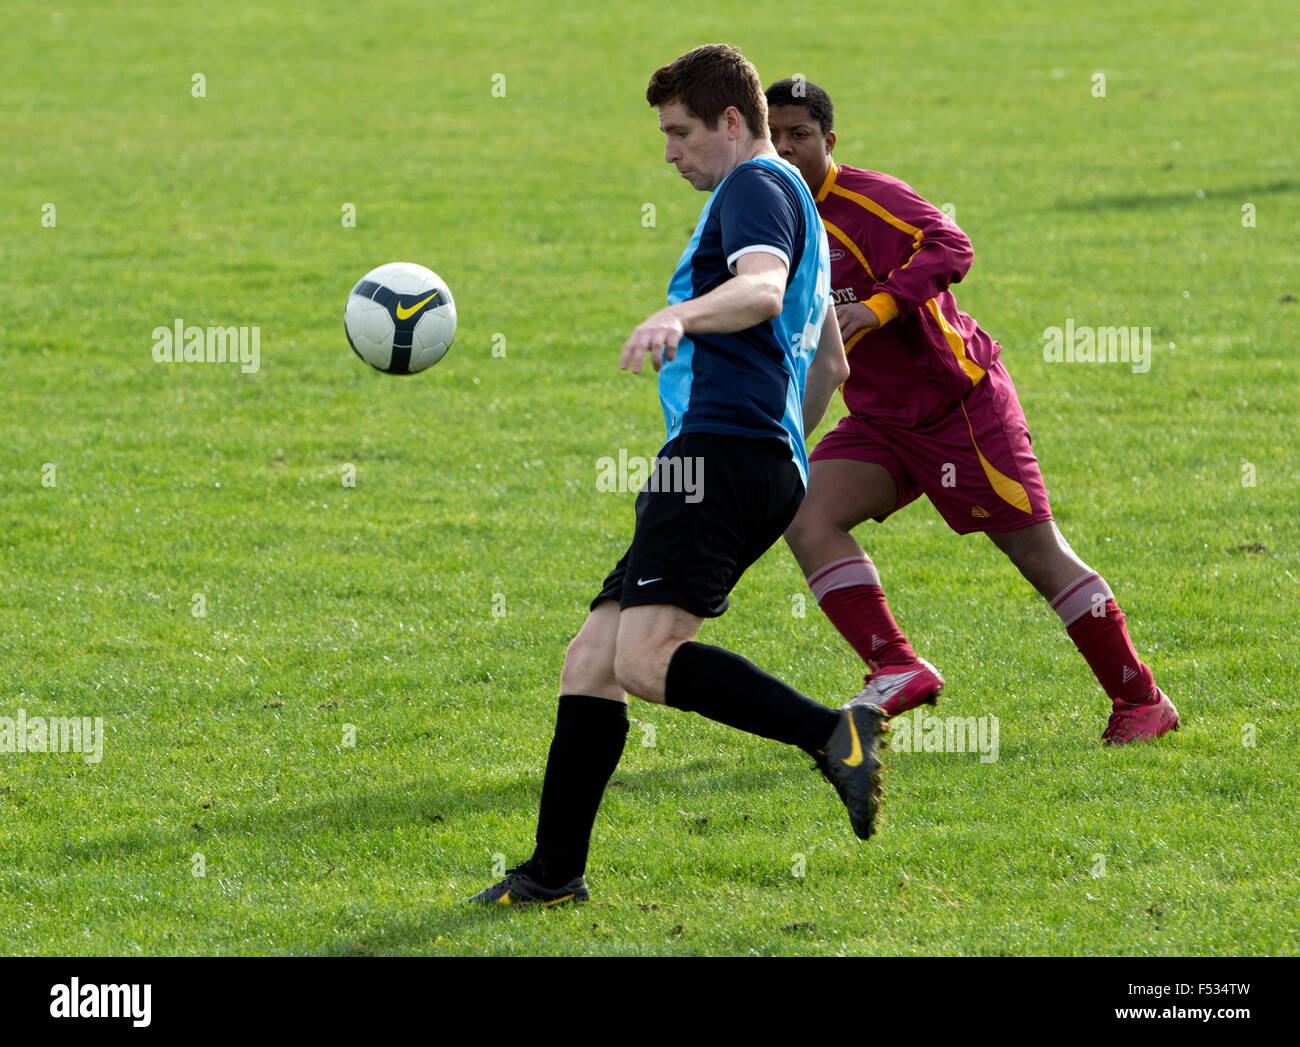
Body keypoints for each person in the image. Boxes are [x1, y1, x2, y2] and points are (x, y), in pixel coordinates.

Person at [470, 45, 888, 907]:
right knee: (592, 657)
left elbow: (765, 294)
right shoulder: (797, 201)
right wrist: (779, 453)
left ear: (733, 122)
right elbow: (833, 364)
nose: (670, 152)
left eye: (681, 132)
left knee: (648, 659)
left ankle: (832, 733)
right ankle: (554, 874)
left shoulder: (755, 188)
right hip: (752, 457)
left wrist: (679, 314)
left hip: (715, 456)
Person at [763, 78, 1178, 745]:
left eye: (800, 136)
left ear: (829, 140)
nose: (785, 149)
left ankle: (1142, 699)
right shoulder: (774, 217)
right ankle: (896, 665)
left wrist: (877, 307)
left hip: (961, 408)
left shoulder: (870, 199)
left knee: (1036, 554)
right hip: (882, 420)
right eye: (773, 136)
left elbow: (951, 245)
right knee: (806, 512)